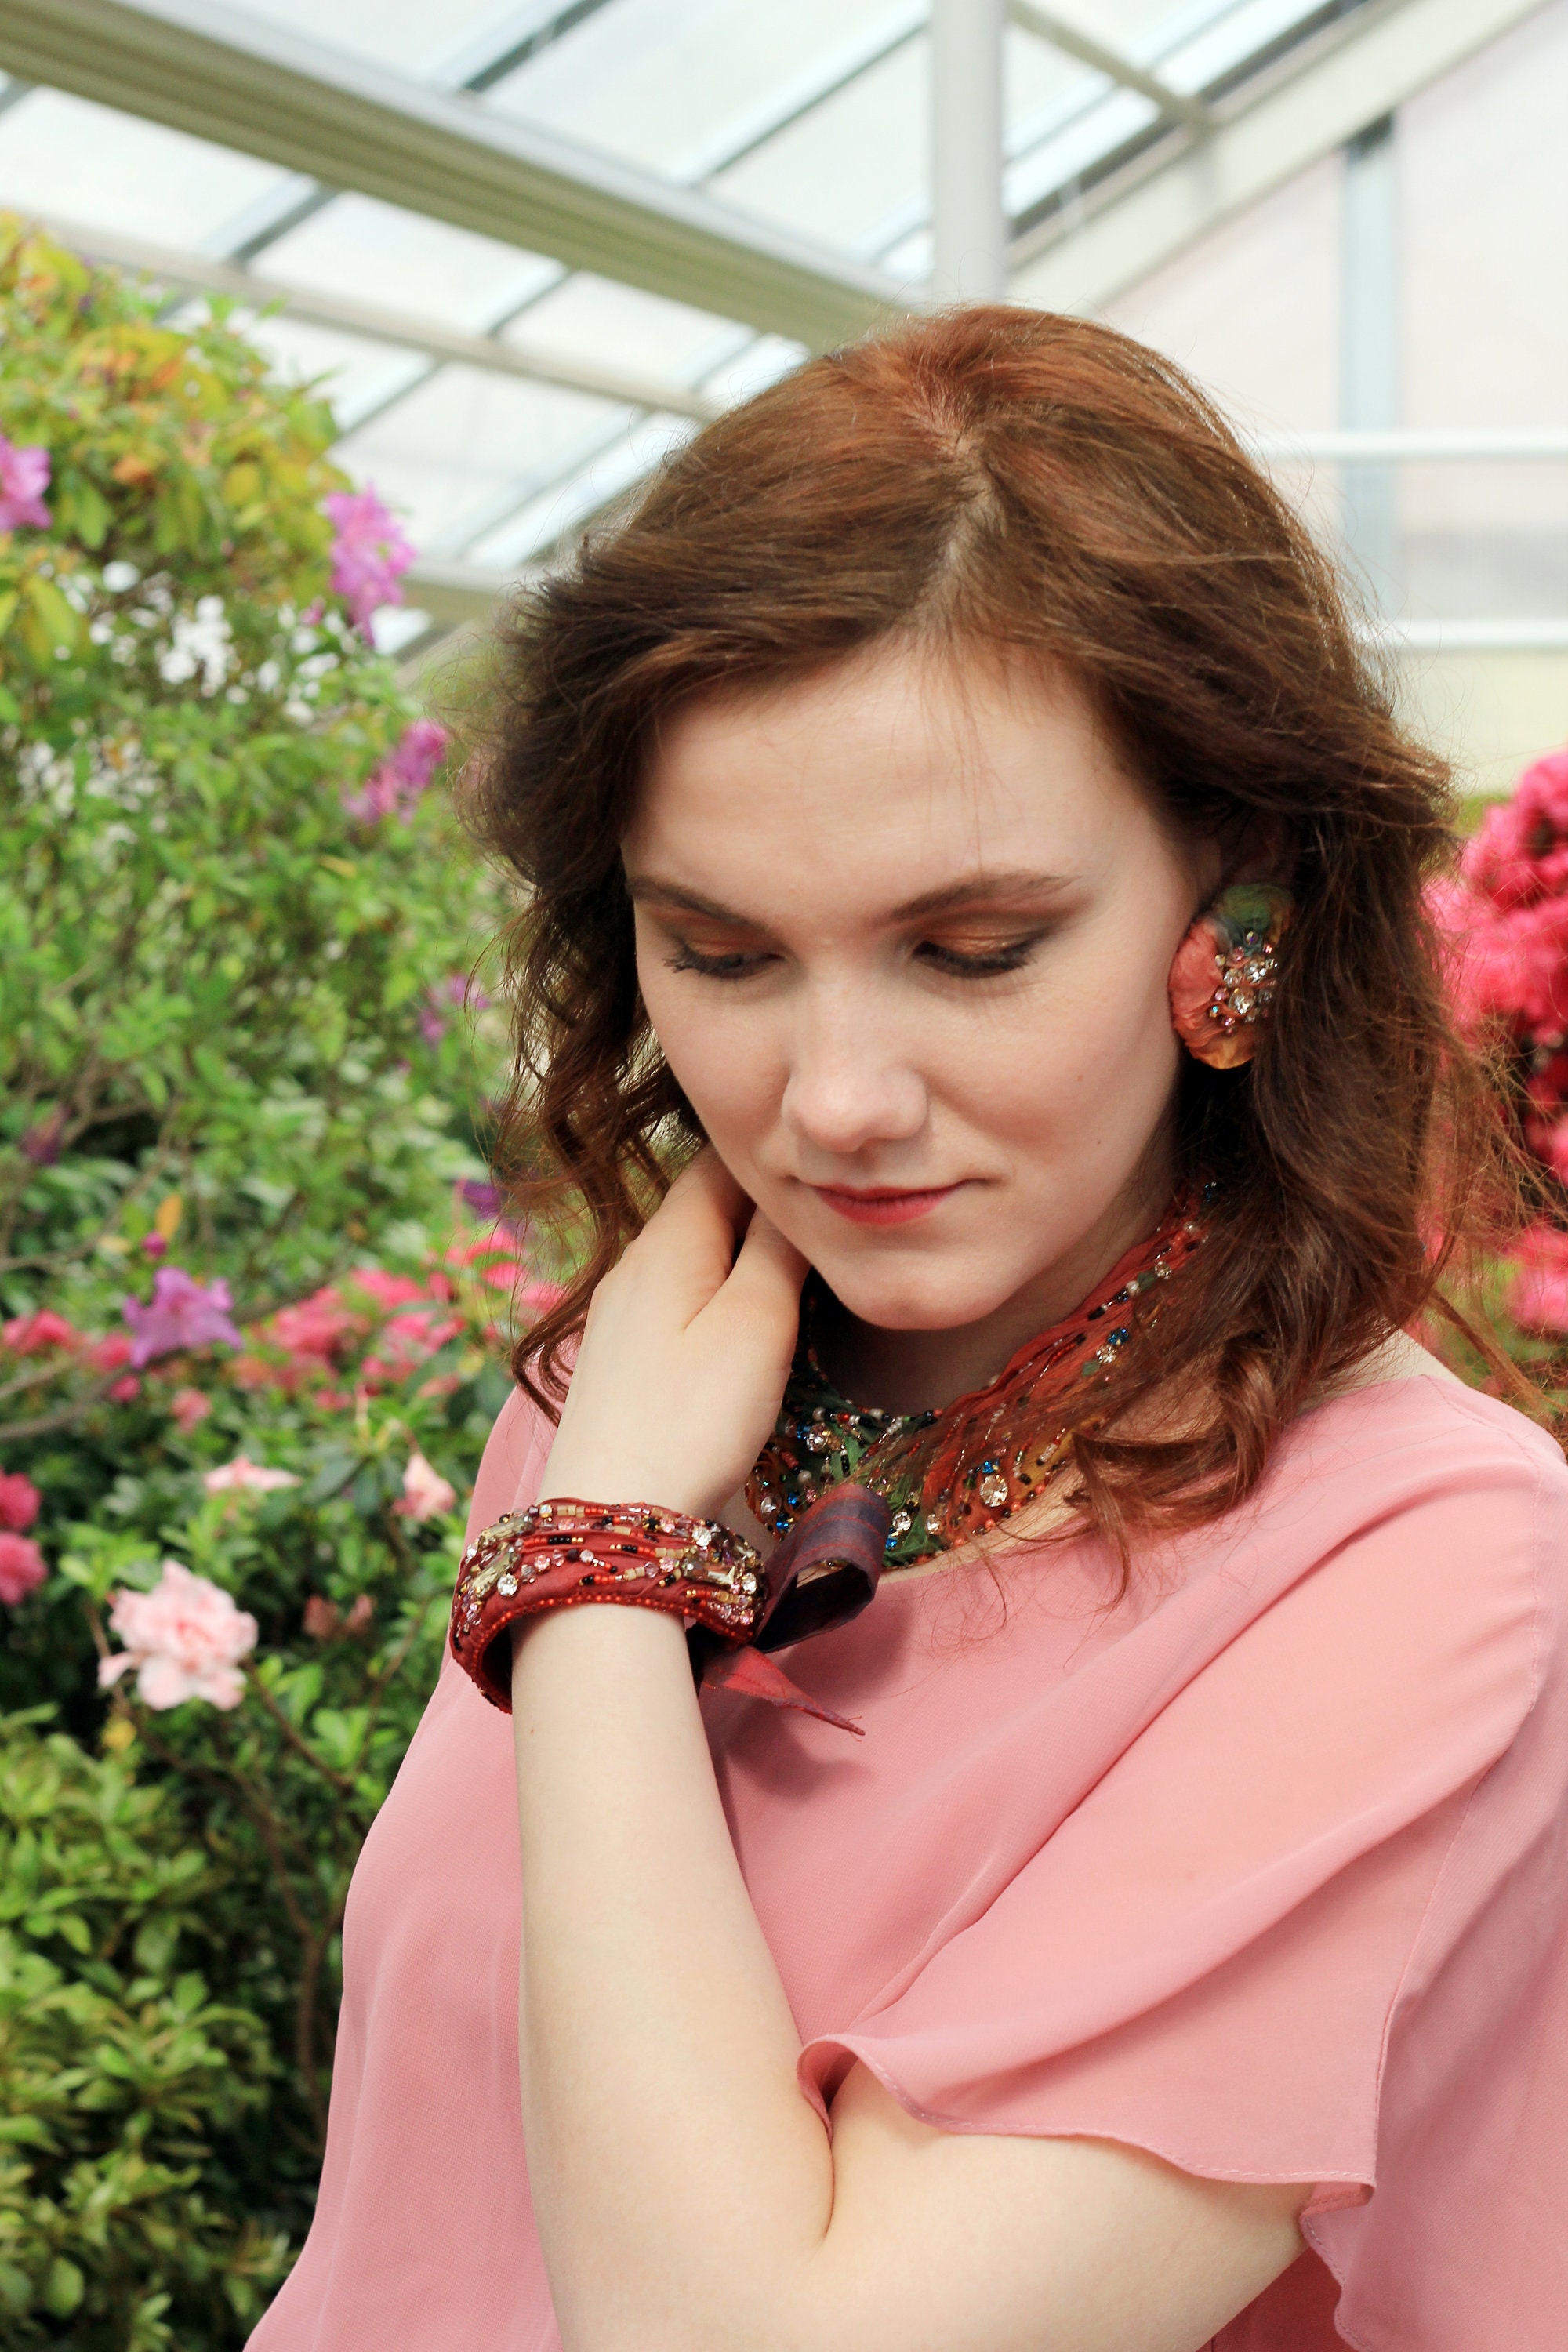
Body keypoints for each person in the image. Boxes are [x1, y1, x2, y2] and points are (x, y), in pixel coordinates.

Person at [250, 308, 1568, 2352]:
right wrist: (611, 1504)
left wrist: (598, 1585)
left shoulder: (1429, 1567)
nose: (836, 1096)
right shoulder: (654, 1392)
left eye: (972, 952)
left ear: (1246, 911)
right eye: (722, 950)